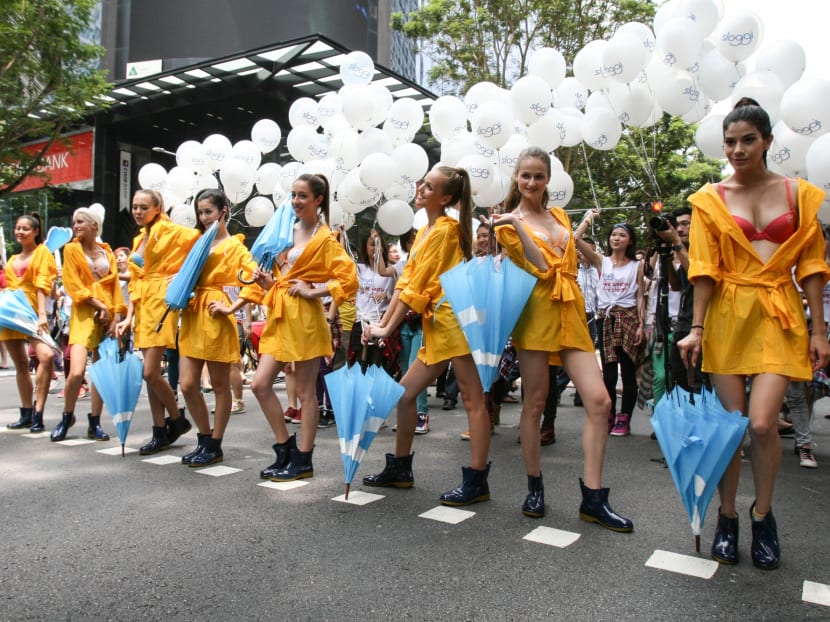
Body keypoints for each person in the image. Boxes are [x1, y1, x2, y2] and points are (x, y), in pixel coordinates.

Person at [677, 98, 830, 570]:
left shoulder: (799, 194)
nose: (737, 149)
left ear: (766, 142)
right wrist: (696, 328)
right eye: (730, 142)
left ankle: (762, 515)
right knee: (729, 430)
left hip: (780, 313)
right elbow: (703, 270)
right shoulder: (709, 199)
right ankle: (727, 517)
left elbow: (811, 266)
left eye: (747, 140)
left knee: (763, 424)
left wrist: (818, 330)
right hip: (726, 316)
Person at [492, 146, 632, 529]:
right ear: (516, 178)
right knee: (535, 403)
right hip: (536, 312)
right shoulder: (507, 223)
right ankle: (534, 485)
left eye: (538, 175)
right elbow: (540, 267)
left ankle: (594, 496)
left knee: (600, 400)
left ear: (548, 178)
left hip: (571, 309)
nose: (532, 182)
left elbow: (571, 261)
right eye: (525, 175)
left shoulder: (558, 215)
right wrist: (518, 223)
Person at [361, 165, 492, 506]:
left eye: (429, 187)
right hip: (438, 322)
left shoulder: (446, 230)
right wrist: (382, 326)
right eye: (423, 183)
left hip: (455, 320)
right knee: (405, 397)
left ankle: (477, 480)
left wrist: (386, 328)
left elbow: (415, 286)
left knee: (472, 400)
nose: (420, 189)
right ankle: (401, 469)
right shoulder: (425, 231)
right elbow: (406, 284)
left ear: (446, 198)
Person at [250, 173, 357, 481]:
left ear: (318, 200)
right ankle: (285, 449)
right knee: (260, 384)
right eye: (293, 195)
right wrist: (269, 283)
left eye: (302, 196)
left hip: (308, 319)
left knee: (308, 393)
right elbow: (282, 277)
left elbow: (349, 279)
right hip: (281, 315)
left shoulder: (325, 238)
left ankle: (304, 460)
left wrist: (315, 291)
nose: (295, 201)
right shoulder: (286, 230)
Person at [176, 189, 263, 466]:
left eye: (208, 212)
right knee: (188, 384)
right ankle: (204, 438)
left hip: (216, 312)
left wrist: (232, 308)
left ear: (223, 210)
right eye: (200, 213)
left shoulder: (235, 247)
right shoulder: (197, 241)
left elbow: (252, 280)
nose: (203, 218)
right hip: (192, 312)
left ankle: (215, 443)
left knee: (219, 384)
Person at [116, 189, 198, 454]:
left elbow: (199, 241)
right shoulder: (140, 236)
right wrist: (129, 315)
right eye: (135, 207)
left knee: (149, 372)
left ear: (157, 207)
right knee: (151, 375)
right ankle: (159, 430)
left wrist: (180, 278)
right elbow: (137, 280)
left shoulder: (171, 230)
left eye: (143, 207)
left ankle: (177, 419)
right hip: (143, 306)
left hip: (162, 304)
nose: (138, 212)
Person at [49, 207, 125, 442]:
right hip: (83, 314)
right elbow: (72, 284)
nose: (76, 226)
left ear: (94, 225)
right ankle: (67, 416)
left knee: (101, 372)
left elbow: (113, 287)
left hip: (106, 316)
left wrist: (114, 316)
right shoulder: (71, 250)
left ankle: (95, 421)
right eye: (74, 222)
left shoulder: (107, 252)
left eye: (81, 221)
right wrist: (98, 304)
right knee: (77, 371)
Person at [576, 213, 645, 437]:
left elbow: (641, 297)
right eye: (614, 234)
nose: (616, 238)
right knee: (608, 374)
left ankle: (625, 418)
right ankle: (609, 415)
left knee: (627, 371)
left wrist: (642, 325)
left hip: (628, 319)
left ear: (630, 241)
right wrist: (588, 219)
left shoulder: (637, 265)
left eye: (622, 235)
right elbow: (574, 238)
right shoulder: (601, 261)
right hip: (605, 319)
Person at [4, 213, 57, 433]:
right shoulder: (11, 259)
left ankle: (38, 411)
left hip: (34, 314)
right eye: (17, 228)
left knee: (46, 356)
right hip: (10, 315)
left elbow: (42, 285)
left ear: (36, 231)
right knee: (21, 366)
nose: (20, 232)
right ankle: (26, 413)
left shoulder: (42, 252)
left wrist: (42, 314)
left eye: (25, 228)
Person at [393, 228, 430, 434]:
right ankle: (408, 414)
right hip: (403, 323)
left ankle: (421, 414)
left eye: (415, 239)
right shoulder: (401, 266)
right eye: (409, 241)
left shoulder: (428, 261)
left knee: (417, 369)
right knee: (405, 369)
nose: (413, 243)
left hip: (422, 321)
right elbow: (397, 290)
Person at [348, 230, 397, 372]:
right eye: (371, 244)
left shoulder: (391, 270)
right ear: (365, 247)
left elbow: (400, 295)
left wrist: (386, 295)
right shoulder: (359, 268)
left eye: (378, 244)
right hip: (360, 322)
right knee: (358, 364)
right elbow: (343, 258)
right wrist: (341, 234)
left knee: (378, 364)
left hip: (381, 322)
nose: (375, 248)